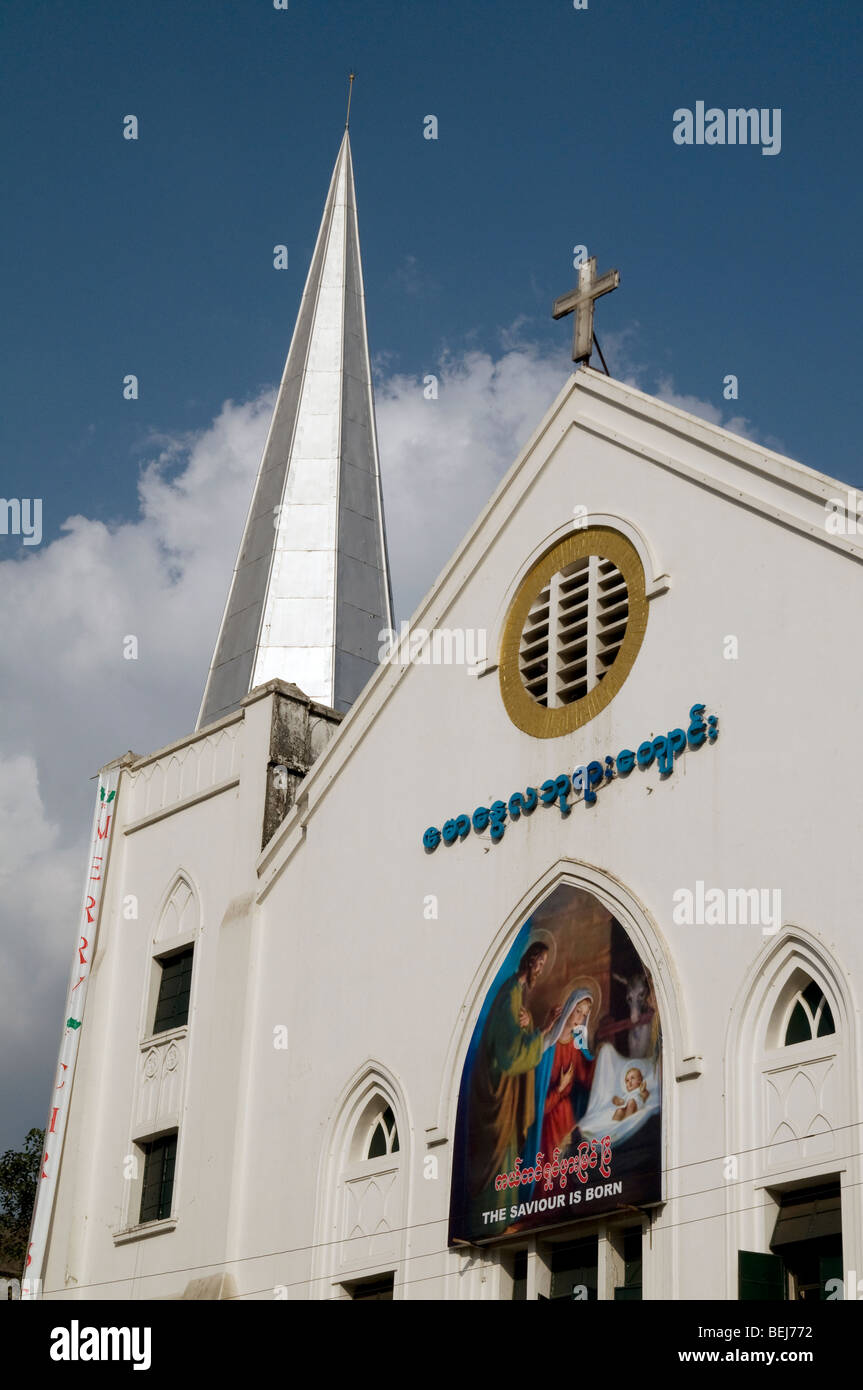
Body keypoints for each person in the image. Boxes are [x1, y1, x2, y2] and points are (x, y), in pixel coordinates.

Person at [466, 942, 562, 1215]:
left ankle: (503, 1218)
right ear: (529, 960)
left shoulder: (516, 994)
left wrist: (535, 1025)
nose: (541, 970)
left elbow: (515, 1037)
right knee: (499, 1162)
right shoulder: (510, 994)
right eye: (539, 963)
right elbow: (509, 1056)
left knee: (508, 1161)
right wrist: (543, 1028)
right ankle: (494, 1221)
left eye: (544, 965)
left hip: (504, 1095)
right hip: (496, 1096)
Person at [538, 990, 597, 1158]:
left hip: (566, 1117)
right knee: (549, 1169)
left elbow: (585, 1078)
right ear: (569, 1008)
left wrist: (602, 1055)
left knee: (564, 1170)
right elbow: (538, 1104)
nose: (580, 1018)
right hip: (548, 1122)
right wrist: (560, 1088)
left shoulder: (576, 1043)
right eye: (578, 1011)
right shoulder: (548, 1046)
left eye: (584, 1015)